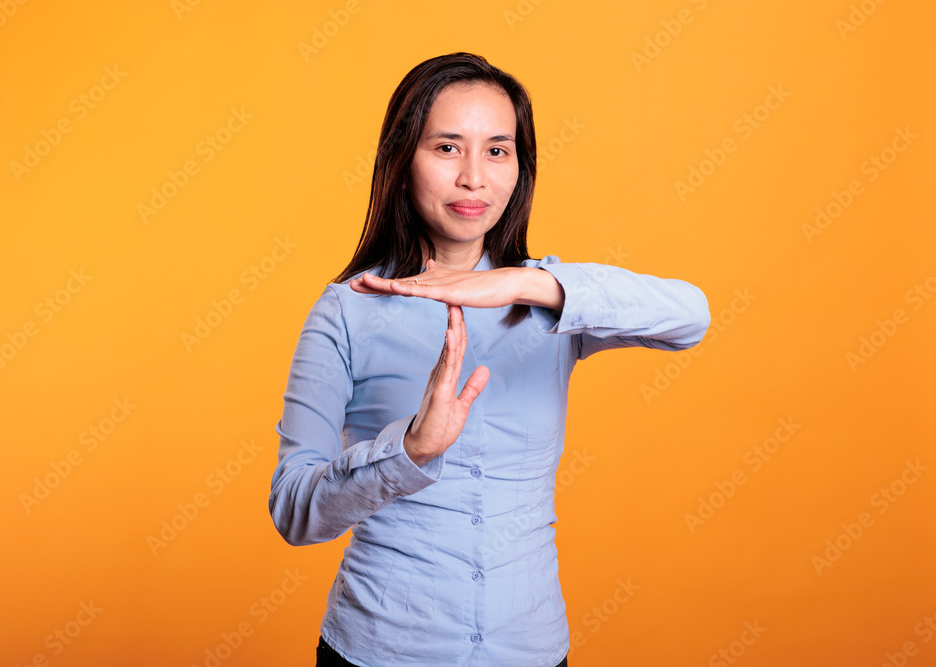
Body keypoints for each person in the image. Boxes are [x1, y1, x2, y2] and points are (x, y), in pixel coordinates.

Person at [269, 52, 711, 667]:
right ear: (402, 162)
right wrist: (409, 451)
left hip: (530, 647)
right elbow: (294, 511)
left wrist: (526, 283)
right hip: (381, 649)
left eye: (498, 150)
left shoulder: (550, 301)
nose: (474, 177)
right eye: (447, 147)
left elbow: (690, 317)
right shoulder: (347, 309)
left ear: (520, 169)